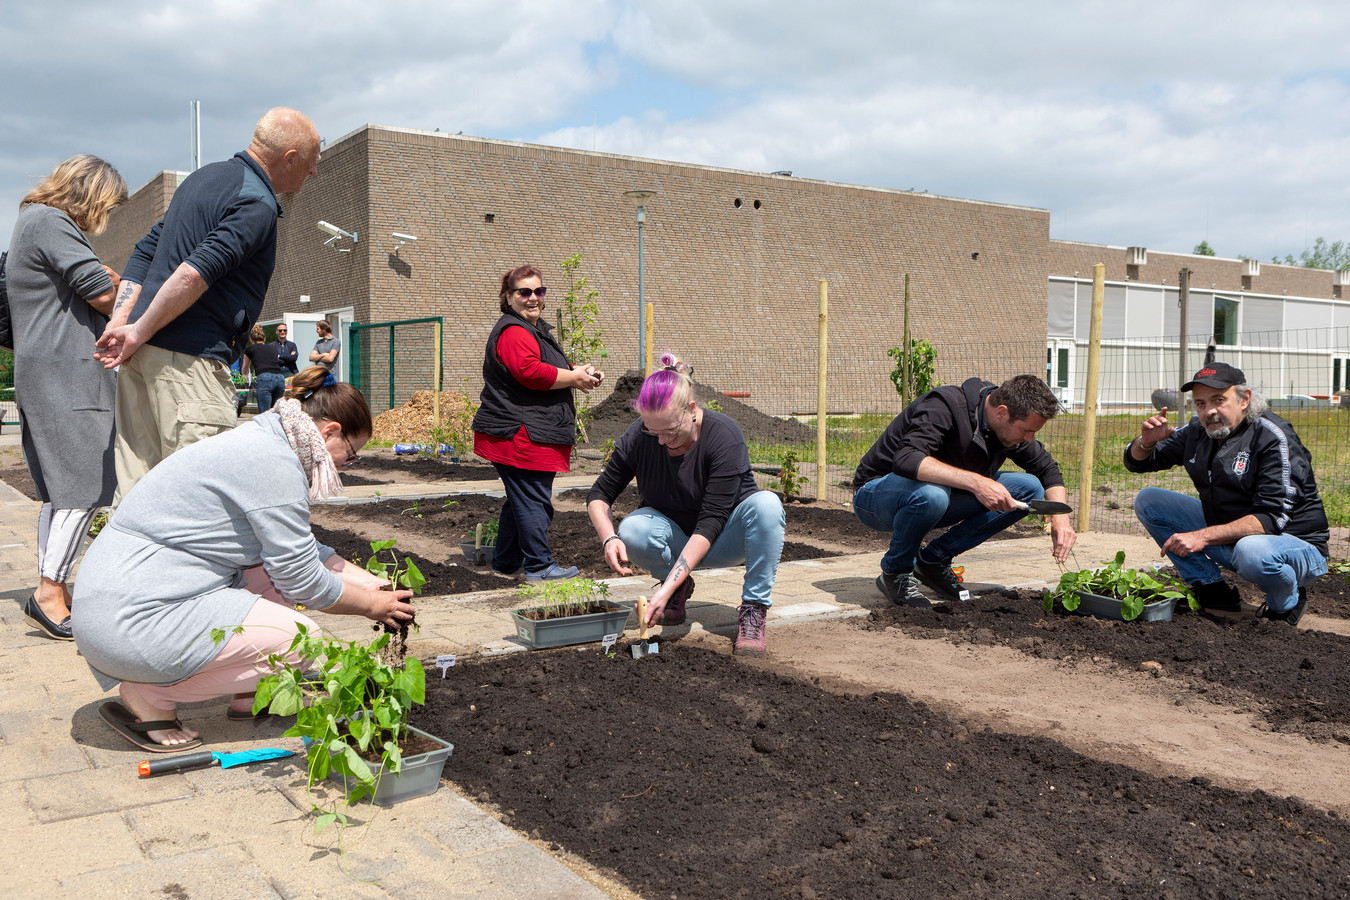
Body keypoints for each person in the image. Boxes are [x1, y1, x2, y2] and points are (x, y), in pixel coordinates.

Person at [72, 366, 415, 752]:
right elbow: (302, 579)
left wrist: (367, 581)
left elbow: (294, 549)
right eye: (350, 457)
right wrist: (373, 605)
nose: (343, 467)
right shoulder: (274, 463)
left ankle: (251, 694)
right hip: (131, 622)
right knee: (300, 641)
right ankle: (151, 697)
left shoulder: (269, 437)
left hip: (119, 602)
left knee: (267, 576)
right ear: (329, 432)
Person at [95, 107, 321, 503]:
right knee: (202, 499)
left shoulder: (203, 179)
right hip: (189, 366)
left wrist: (123, 322)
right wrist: (135, 331)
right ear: (289, 158)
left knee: (138, 493)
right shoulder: (258, 204)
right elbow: (194, 274)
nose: (314, 172)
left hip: (142, 360)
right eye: (312, 161)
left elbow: (146, 250)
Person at [587, 354, 785, 657]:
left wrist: (661, 594)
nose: (664, 442)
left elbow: (712, 521)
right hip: (677, 539)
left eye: (671, 432)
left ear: (692, 410)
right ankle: (677, 586)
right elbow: (600, 493)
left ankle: (754, 610)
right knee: (632, 528)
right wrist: (609, 538)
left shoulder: (724, 436)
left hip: (724, 539)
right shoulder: (640, 436)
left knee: (768, 505)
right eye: (655, 433)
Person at [5, 155, 128, 640]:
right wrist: (117, 280)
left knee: (61, 490)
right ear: (92, 194)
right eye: (108, 205)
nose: (106, 217)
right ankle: (49, 593)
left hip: (49, 370)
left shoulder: (31, 221)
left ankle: (51, 588)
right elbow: (103, 295)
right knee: (84, 487)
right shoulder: (51, 222)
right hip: (67, 373)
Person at [1124, 362, 1329, 625]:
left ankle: (1286, 602)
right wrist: (1146, 443)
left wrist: (1201, 536)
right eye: (1200, 403)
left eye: (1219, 400)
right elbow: (1139, 463)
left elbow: (1270, 519)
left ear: (1244, 398)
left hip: (1293, 544)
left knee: (1252, 551)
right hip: (1236, 536)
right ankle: (1211, 590)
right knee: (1150, 501)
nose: (1210, 411)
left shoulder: (1272, 437)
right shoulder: (1198, 430)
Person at [852, 374, 1076, 608]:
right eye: (1026, 430)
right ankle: (896, 572)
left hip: (938, 497)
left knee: (1029, 488)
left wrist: (1060, 519)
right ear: (1001, 412)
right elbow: (907, 459)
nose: (1030, 440)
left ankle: (932, 562)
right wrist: (978, 483)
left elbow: (1047, 469)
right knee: (932, 494)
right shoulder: (945, 405)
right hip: (875, 497)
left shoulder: (1006, 429)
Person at [472, 265, 604, 581]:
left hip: (526, 432)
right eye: (524, 292)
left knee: (521, 499)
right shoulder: (515, 331)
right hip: (520, 435)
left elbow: (543, 366)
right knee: (533, 500)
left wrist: (576, 371)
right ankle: (540, 566)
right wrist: (573, 377)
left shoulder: (531, 329)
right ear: (509, 297)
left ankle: (505, 562)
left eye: (538, 291)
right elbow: (530, 372)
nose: (533, 298)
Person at [241, 324, 287, 413]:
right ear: (264, 339)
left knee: (265, 414)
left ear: (251, 339)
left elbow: (245, 368)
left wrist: (245, 375)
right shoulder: (272, 348)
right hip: (280, 378)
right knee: (277, 412)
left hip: (265, 378)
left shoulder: (250, 349)